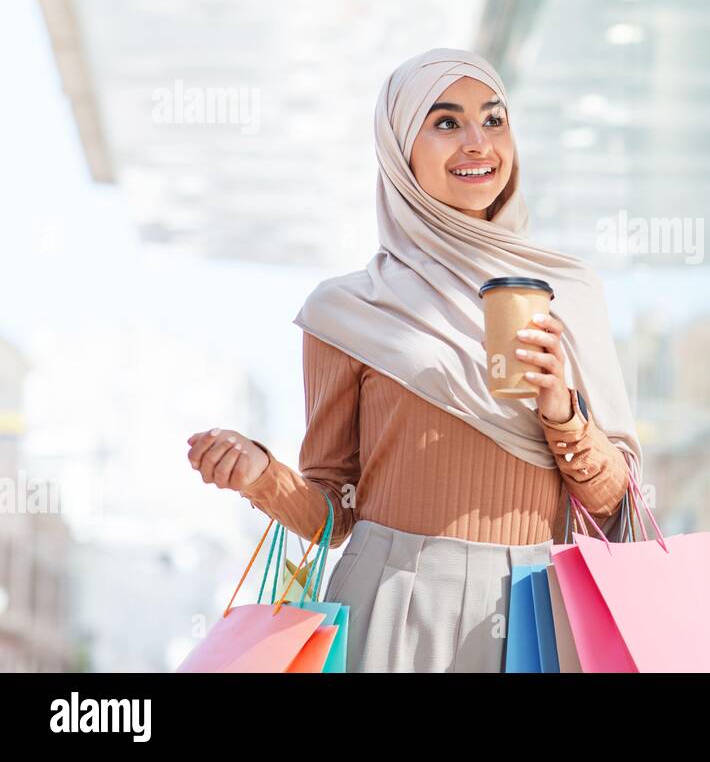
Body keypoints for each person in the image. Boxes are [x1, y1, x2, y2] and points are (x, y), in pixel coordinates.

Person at [185, 46, 643, 672]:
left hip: (538, 611)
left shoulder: (568, 291)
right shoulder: (347, 309)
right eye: (447, 122)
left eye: (495, 119)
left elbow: (618, 504)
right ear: (400, 152)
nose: (479, 143)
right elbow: (333, 514)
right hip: (391, 604)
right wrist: (260, 474)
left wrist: (562, 410)